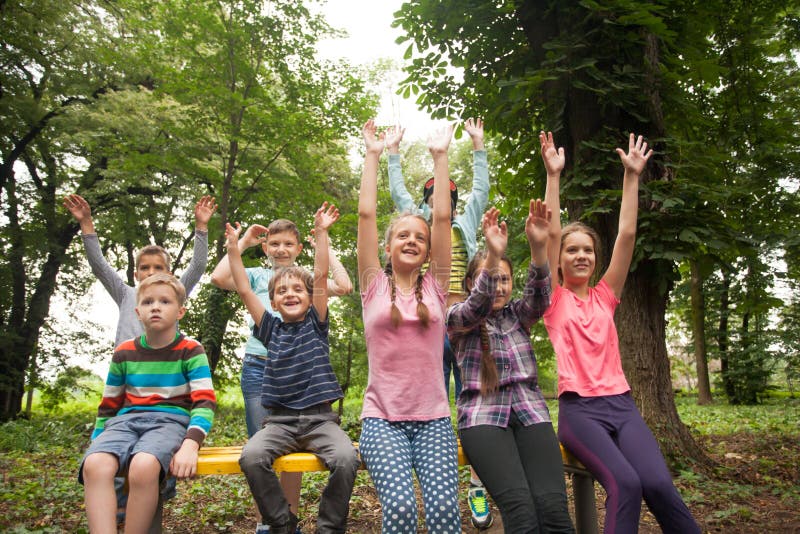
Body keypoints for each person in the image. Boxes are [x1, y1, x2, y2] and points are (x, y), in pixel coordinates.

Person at [541, 131, 701, 533]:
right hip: (580, 412)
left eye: (588, 250)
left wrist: (632, 177)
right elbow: (551, 233)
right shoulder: (553, 299)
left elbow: (627, 235)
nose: (580, 255)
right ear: (559, 260)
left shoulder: (605, 295)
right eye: (572, 250)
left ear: (595, 260)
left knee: (659, 484)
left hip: (623, 407)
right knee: (625, 483)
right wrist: (553, 176)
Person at [64, 192, 216, 530]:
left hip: (166, 410)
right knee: (103, 465)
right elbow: (99, 265)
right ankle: (118, 513)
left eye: (157, 269)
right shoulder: (126, 294)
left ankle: (145, 514)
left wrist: (201, 228)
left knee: (145, 468)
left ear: (178, 299)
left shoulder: (178, 306)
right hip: (129, 400)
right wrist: (87, 225)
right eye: (144, 269)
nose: (150, 275)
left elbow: (198, 267)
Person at [210, 216, 352, 533]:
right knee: (251, 456)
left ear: (310, 294)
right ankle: (281, 522)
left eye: (298, 289)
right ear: (273, 301)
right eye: (283, 291)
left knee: (346, 459)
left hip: (320, 420)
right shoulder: (269, 330)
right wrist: (235, 247)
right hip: (281, 422)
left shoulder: (317, 323)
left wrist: (323, 234)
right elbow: (244, 289)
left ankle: (329, 527)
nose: (290, 294)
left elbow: (321, 274)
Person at [386, 117, 493, 528]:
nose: (438, 199)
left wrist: (478, 146)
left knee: (475, 403)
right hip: (425, 327)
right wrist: (393, 152)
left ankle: (478, 484)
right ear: (424, 198)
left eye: (446, 193)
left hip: (462, 326)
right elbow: (397, 193)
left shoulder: (463, 225)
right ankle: (420, 477)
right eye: (432, 194)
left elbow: (480, 191)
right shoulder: (416, 230)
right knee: (432, 406)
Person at [357, 119, 461, 533]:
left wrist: (441, 158)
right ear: (388, 246)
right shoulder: (372, 286)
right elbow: (366, 214)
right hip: (382, 420)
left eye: (418, 236)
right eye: (402, 235)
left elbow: (442, 218)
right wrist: (372, 154)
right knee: (399, 509)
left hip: (433, 418)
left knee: (443, 514)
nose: (412, 240)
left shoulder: (436, 286)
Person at [447, 204, 575, 533]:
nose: (500, 286)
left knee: (554, 510)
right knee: (522, 513)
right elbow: (478, 304)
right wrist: (491, 255)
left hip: (531, 412)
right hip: (482, 417)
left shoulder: (518, 315)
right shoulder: (458, 318)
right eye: (492, 279)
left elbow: (541, 296)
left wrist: (537, 247)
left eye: (505, 279)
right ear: (470, 283)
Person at [79, 273, 217, 533]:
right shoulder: (124, 352)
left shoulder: (191, 349)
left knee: (143, 465)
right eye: (148, 302)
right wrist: (98, 437)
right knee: (95, 464)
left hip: (169, 422)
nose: (155, 306)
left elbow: (204, 402)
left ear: (180, 312)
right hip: (125, 422)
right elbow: (109, 403)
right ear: (137, 312)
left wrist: (190, 444)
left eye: (165, 301)